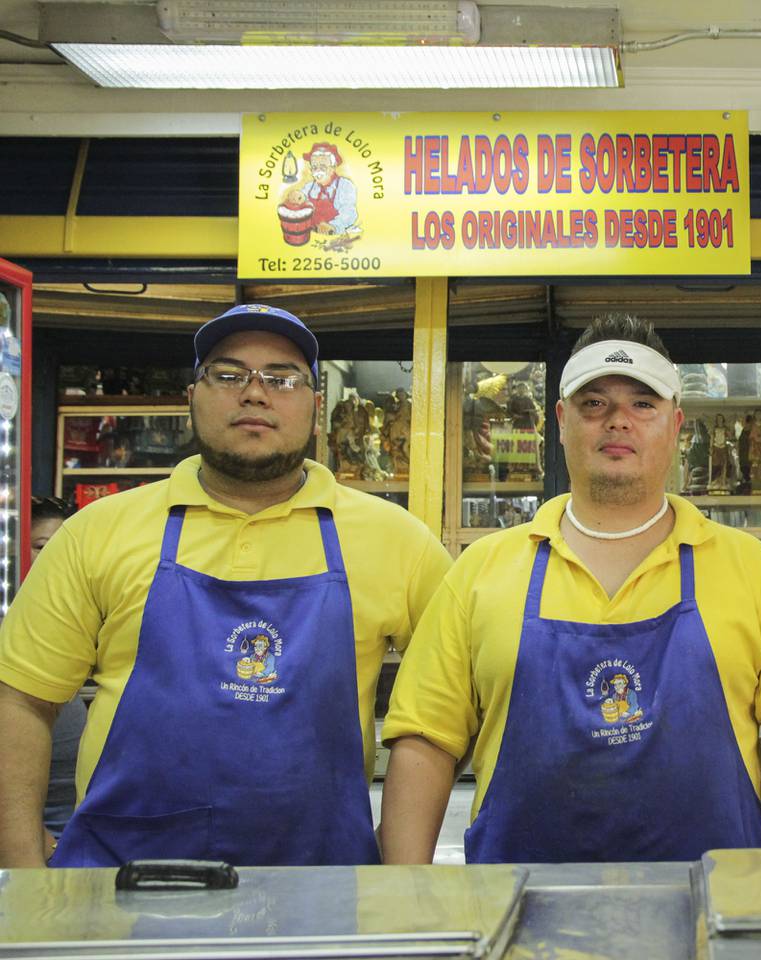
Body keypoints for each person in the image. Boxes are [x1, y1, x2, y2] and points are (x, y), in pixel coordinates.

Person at [380, 314, 761, 864]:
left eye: (643, 404)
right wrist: (405, 893)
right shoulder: (483, 571)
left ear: (677, 425)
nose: (617, 421)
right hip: (519, 919)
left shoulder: (749, 568)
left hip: (713, 921)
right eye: (594, 403)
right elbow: (425, 741)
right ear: (560, 420)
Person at [0, 304, 452, 868]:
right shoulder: (97, 532)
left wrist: (403, 877)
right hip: (118, 885)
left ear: (317, 409)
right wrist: (21, 877)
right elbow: (20, 701)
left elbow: (450, 709)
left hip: (322, 888)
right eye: (229, 374)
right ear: (193, 397)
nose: (255, 394)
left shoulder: (399, 542)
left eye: (282, 378)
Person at [28, 497, 87, 859]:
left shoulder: (78, 616)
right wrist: (45, 847)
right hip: (43, 841)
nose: (52, 557)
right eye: (40, 547)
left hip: (82, 829)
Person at [302, 142, 359, 236]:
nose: (318, 171)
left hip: (334, 235)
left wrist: (333, 226)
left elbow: (349, 212)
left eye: (323, 167)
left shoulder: (345, 186)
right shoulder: (308, 187)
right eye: (314, 167)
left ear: (333, 168)